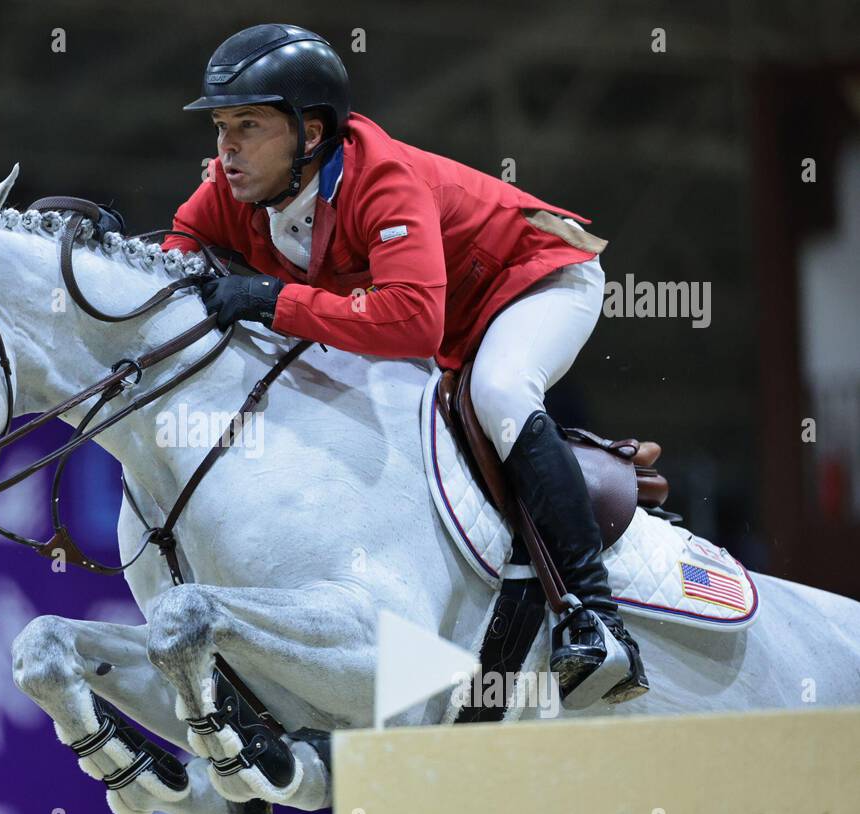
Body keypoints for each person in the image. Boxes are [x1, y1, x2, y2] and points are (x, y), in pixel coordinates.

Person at [160, 23, 648, 704]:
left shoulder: (382, 180)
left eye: (247, 125)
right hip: (438, 319)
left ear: (309, 132)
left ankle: (594, 618)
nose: (226, 148)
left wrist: (277, 300)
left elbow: (414, 319)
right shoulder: (230, 188)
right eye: (219, 126)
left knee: (501, 394)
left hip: (533, 278)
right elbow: (172, 261)